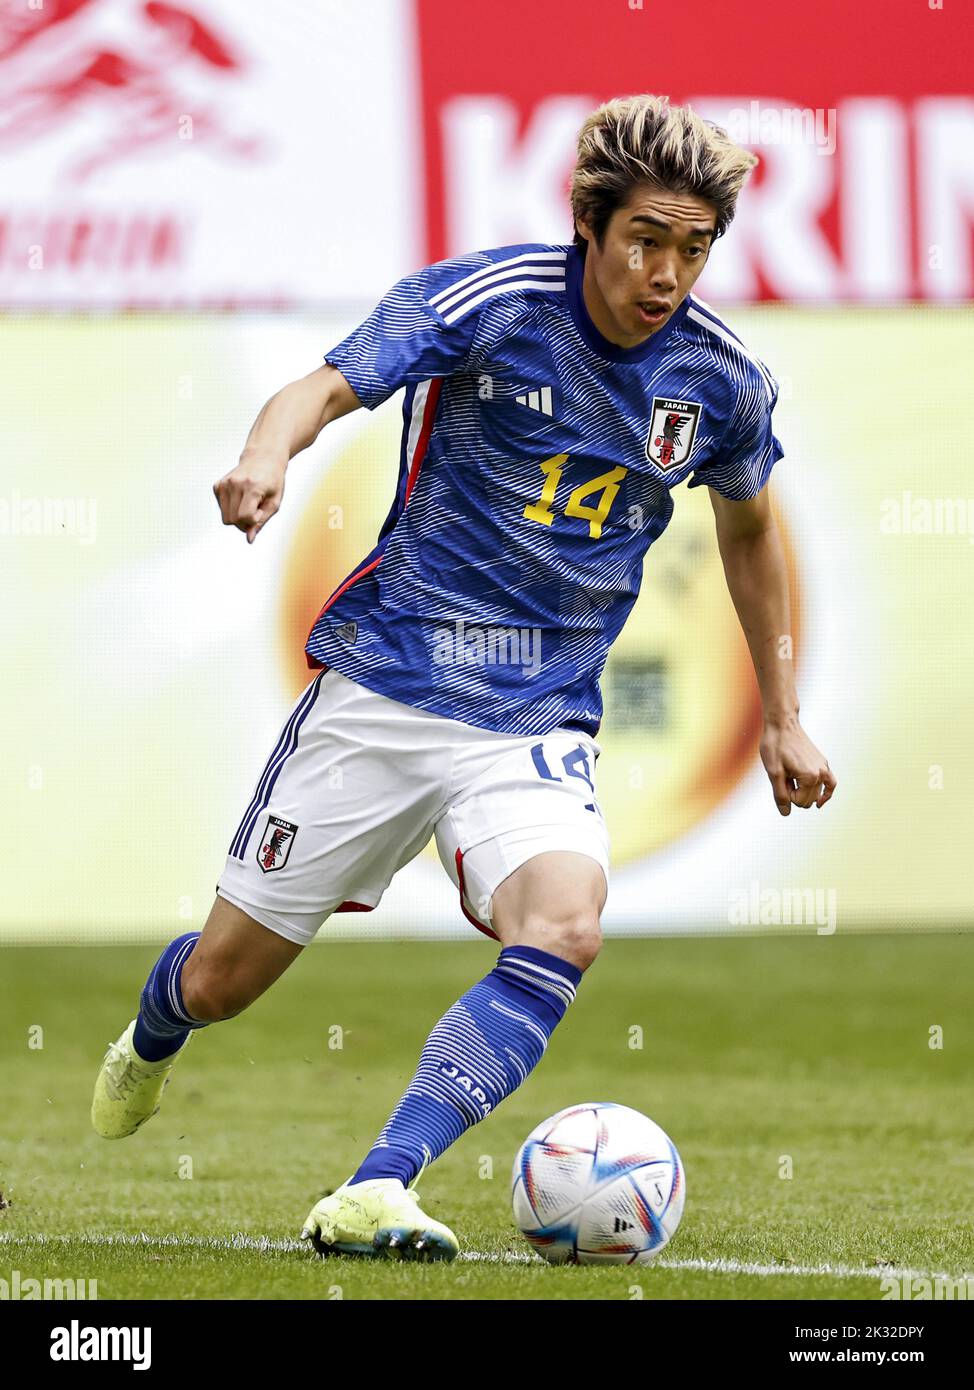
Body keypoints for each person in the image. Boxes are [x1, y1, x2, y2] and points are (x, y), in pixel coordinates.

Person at [91, 94, 835, 1262]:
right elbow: (325, 386)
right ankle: (152, 1030)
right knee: (226, 980)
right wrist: (260, 456)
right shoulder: (490, 302)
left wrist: (782, 714)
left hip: (534, 717)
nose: (665, 272)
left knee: (566, 922)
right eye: (645, 238)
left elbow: (748, 531)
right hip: (386, 688)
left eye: (692, 247)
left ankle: (378, 1183)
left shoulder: (718, 381)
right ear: (588, 223)